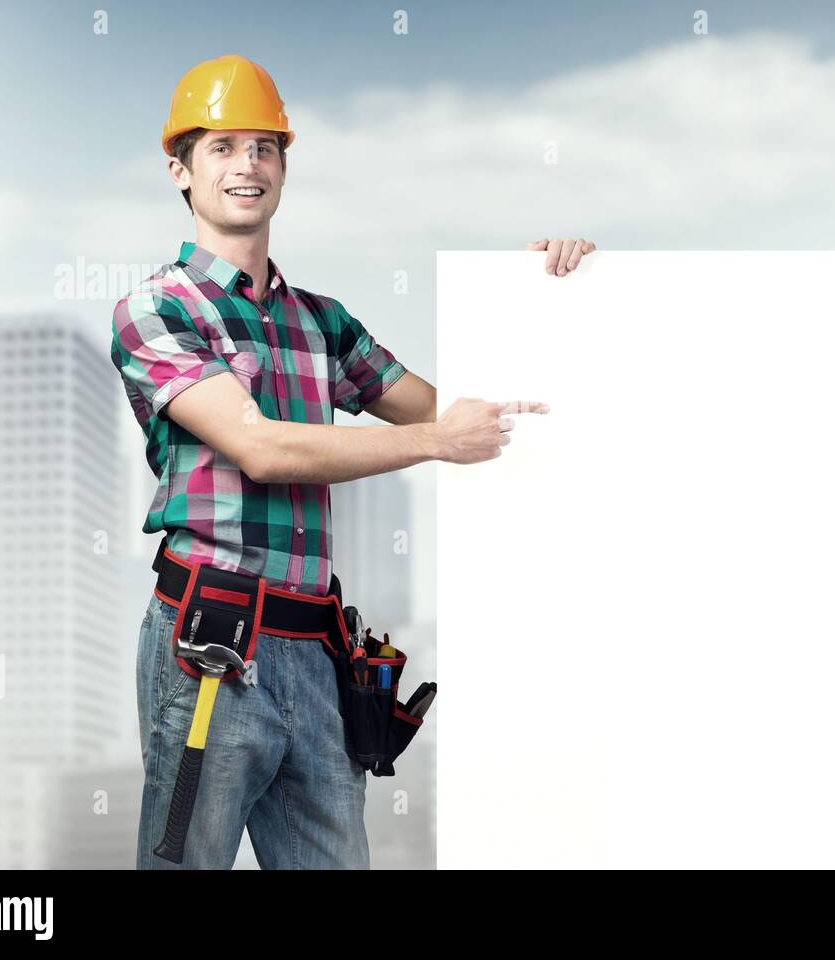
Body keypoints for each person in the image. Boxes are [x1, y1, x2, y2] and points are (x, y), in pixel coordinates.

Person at [110, 54, 595, 868]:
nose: (247, 164)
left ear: (284, 169)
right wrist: (433, 443)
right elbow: (260, 447)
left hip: (317, 649)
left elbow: (459, 410)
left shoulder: (321, 322)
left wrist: (553, 298)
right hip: (210, 648)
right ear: (180, 170)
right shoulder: (156, 308)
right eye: (223, 146)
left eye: (265, 147)